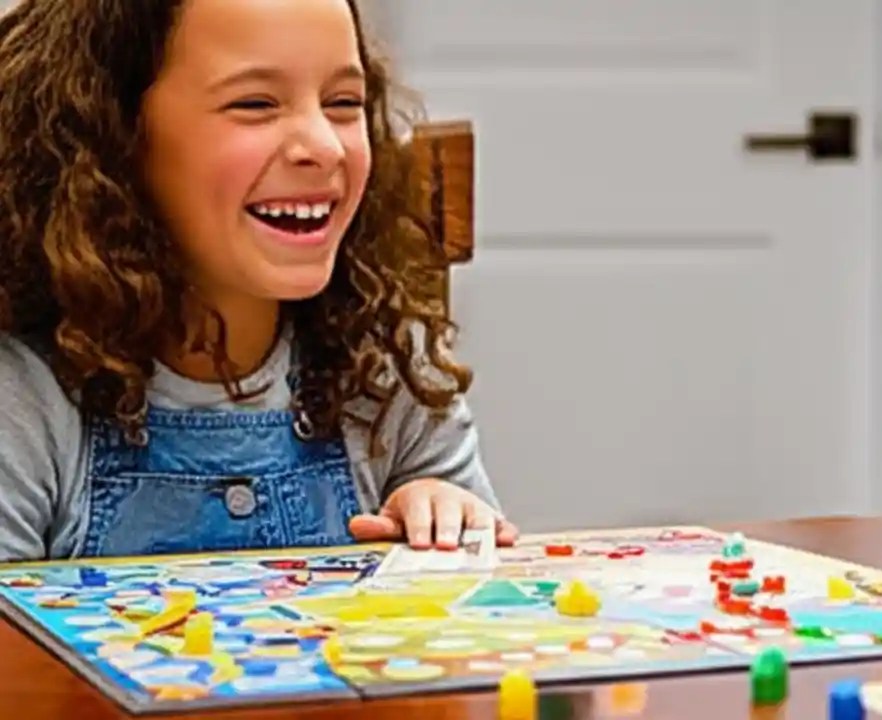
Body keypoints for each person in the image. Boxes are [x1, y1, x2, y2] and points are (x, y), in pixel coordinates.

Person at [0, 0, 517, 561]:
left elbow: (478, 620)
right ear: (110, 135)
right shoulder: (24, 402)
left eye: (344, 103)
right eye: (255, 103)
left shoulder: (383, 370)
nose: (323, 147)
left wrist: (443, 517)